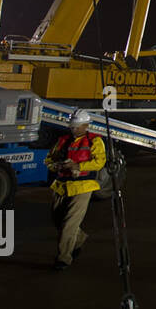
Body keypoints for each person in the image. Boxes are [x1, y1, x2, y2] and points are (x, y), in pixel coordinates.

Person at [45, 108, 106, 271]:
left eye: (77, 127)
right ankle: (79, 239)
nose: (73, 129)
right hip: (62, 185)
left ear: (86, 126)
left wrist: (78, 166)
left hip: (83, 186)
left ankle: (63, 258)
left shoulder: (95, 141)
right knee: (57, 219)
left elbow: (99, 162)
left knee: (69, 224)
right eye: (72, 127)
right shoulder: (63, 140)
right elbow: (49, 159)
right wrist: (57, 165)